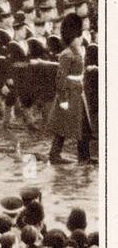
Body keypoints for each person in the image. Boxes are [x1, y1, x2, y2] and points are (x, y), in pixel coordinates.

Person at [48, 12, 92, 164]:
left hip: (78, 92)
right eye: (78, 37)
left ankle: (84, 156)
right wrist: (63, 99)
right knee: (62, 127)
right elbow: (60, 78)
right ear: (72, 38)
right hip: (69, 94)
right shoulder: (66, 55)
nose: (81, 39)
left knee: (83, 125)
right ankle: (54, 155)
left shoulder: (77, 52)